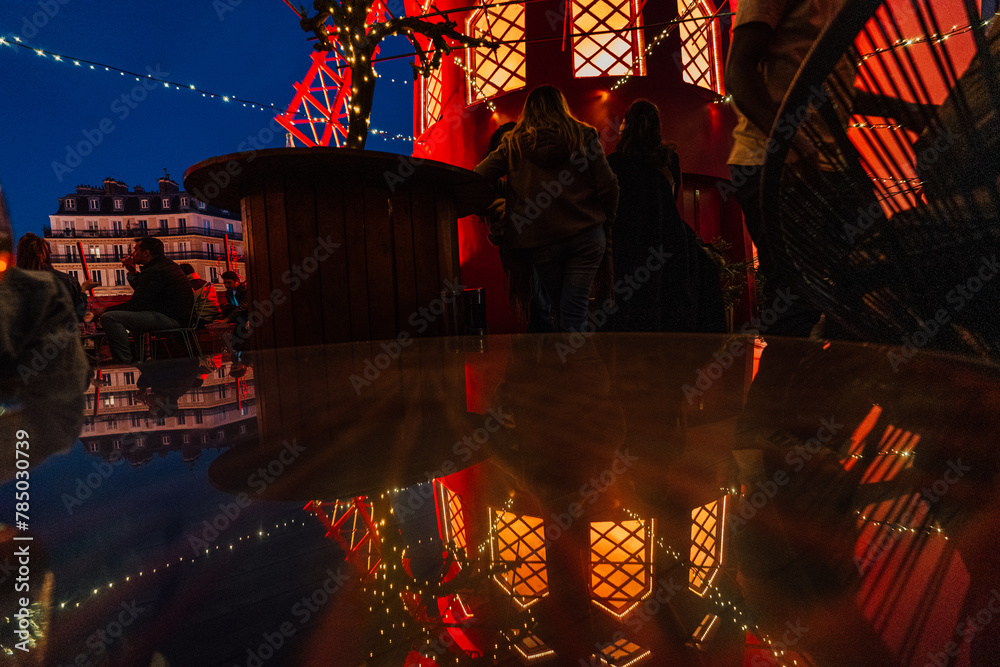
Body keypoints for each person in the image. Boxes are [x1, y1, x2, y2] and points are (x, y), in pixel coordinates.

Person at [725, 0, 848, 336]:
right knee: (797, 297)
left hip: (821, 162)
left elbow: (827, 88)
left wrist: (902, 109)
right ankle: (785, 384)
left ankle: (821, 382)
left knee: (856, 282)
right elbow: (738, 70)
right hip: (774, 163)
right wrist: (787, 137)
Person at [475, 85, 619, 332]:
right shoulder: (584, 136)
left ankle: (567, 366)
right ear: (562, 107)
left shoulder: (514, 144)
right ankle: (578, 366)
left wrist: (510, 192)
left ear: (527, 111)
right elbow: (609, 187)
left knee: (561, 311)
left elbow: (478, 177)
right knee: (574, 310)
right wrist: (606, 220)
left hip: (542, 242)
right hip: (587, 237)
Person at [605, 100, 726, 332]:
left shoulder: (614, 163)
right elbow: (673, 200)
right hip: (669, 235)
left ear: (626, 125)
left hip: (628, 239)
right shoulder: (668, 159)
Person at [480, 122, 554, 332]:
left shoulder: (526, 179)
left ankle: (547, 356)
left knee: (540, 307)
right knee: (539, 307)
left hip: (536, 245)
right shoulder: (508, 186)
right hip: (529, 247)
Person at [96, 237, 193, 363]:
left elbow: (138, 303)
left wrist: (106, 310)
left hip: (171, 318)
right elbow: (143, 290)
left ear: (146, 252)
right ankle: (143, 357)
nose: (133, 254)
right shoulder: (164, 265)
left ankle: (124, 361)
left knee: (109, 318)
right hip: (179, 316)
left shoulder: (155, 270)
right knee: (132, 317)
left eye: (136, 250)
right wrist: (132, 271)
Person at [14, 232, 94, 321]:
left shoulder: (11, 283)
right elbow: (79, 314)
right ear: (47, 254)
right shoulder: (68, 281)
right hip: (60, 333)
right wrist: (83, 291)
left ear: (20, 255)